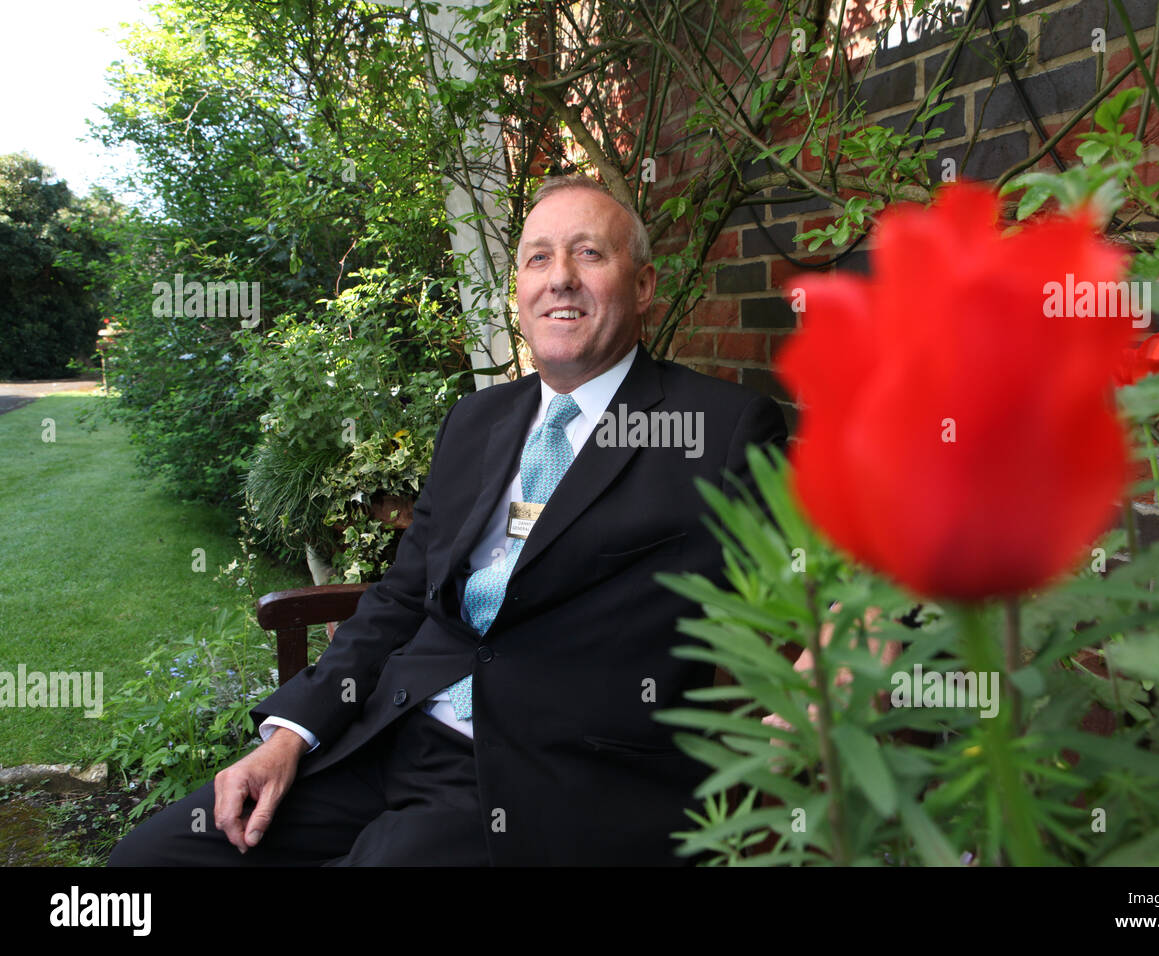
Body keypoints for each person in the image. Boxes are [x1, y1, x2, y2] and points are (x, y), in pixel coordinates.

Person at [109, 174, 788, 866]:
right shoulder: (479, 420)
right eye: (538, 258)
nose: (559, 279)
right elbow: (403, 595)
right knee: (149, 861)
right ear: (518, 291)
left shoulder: (716, 428)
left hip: (544, 781)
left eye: (588, 254)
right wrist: (289, 736)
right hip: (389, 733)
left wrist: (832, 667)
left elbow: (818, 575)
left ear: (642, 286)